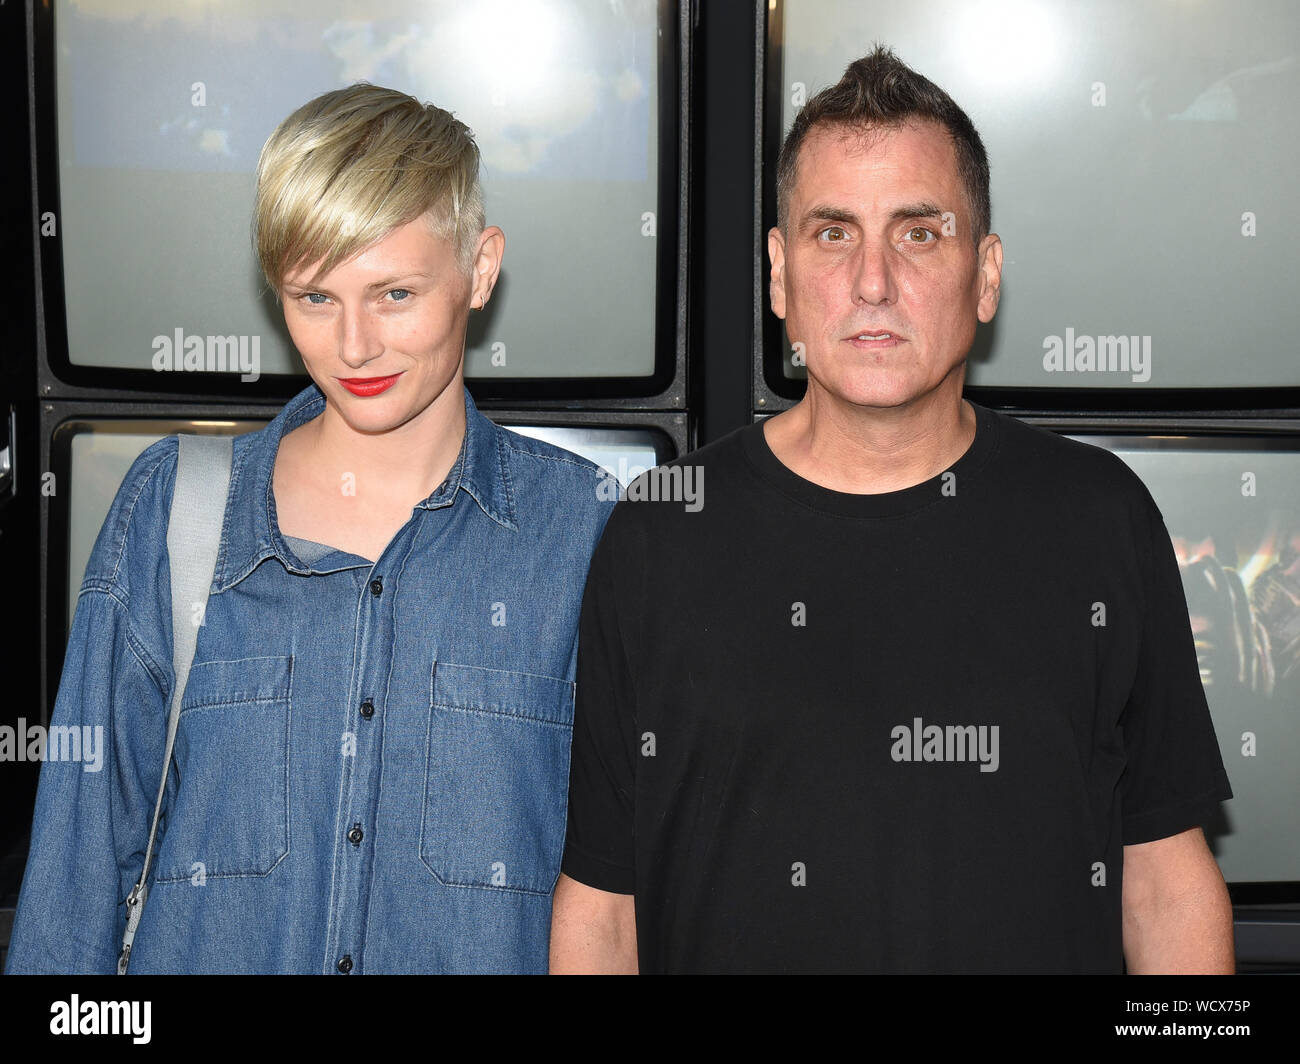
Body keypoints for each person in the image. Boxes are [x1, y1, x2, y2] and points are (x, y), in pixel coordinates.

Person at [550, 46, 1235, 974]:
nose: (873, 281)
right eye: (834, 234)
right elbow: (603, 907)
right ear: (779, 277)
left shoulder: (1101, 516)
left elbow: (1163, 883)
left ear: (985, 275)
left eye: (919, 232)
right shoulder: (660, 529)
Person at [7, 84, 613, 974]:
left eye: (395, 293)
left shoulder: (587, 531)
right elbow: (74, 884)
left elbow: (624, 893)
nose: (355, 346)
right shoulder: (172, 511)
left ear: (480, 270)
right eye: (314, 298)